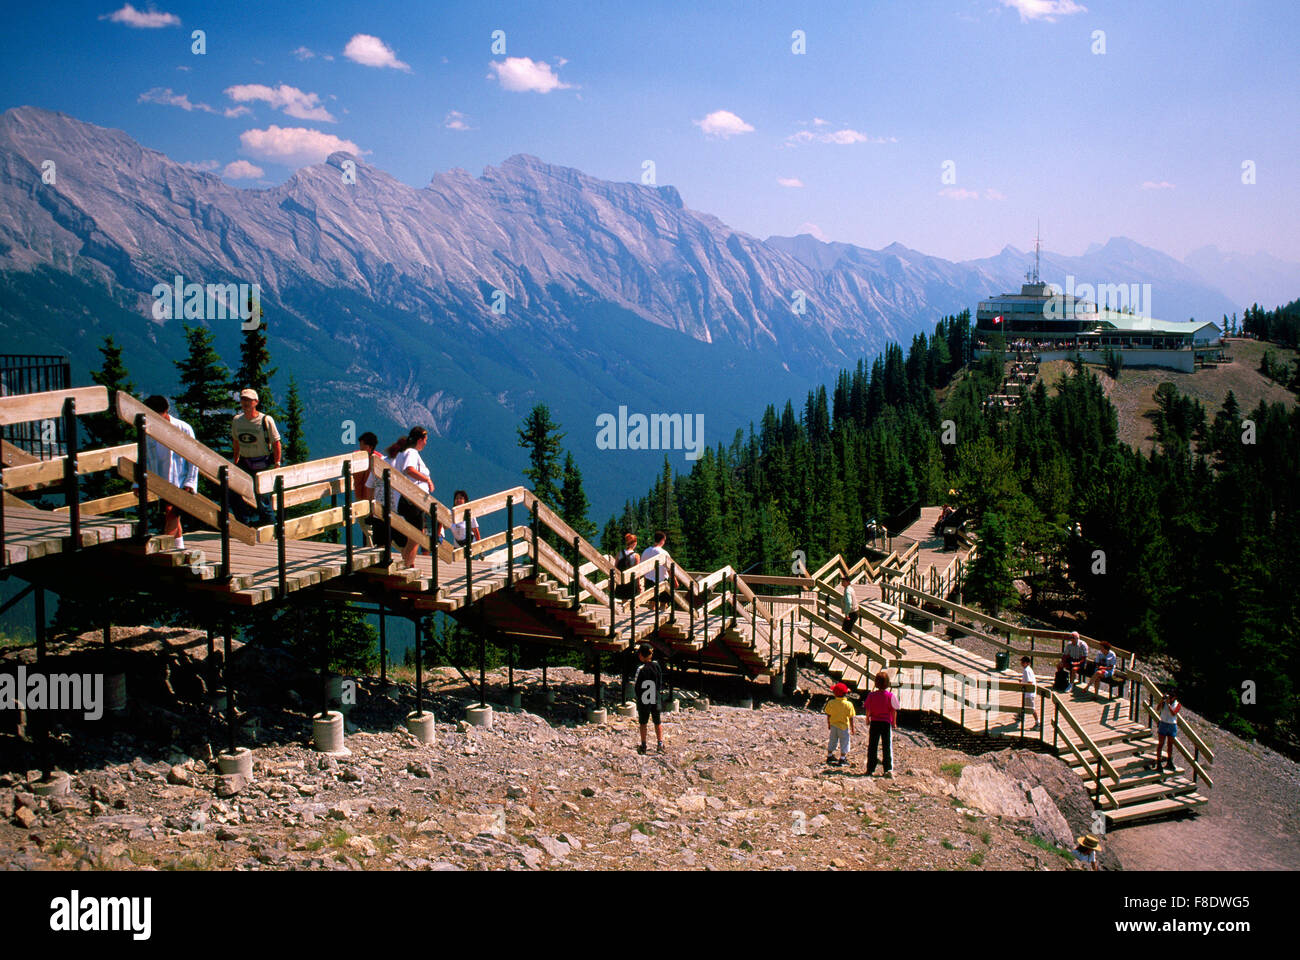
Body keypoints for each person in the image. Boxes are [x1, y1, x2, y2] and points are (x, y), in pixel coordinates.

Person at [142, 395, 199, 550]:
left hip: (179, 481)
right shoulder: (147, 431)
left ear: (166, 411)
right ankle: (179, 548)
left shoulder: (183, 428)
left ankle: (165, 550)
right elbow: (144, 458)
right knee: (173, 516)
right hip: (160, 481)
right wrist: (138, 482)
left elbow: (194, 457)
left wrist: (190, 482)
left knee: (171, 513)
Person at [230, 388, 281, 526]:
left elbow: (276, 442)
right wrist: (235, 460)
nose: (245, 402)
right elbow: (236, 442)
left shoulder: (265, 420)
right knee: (233, 491)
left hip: (262, 462)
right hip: (245, 461)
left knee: (263, 497)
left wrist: (277, 462)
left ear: (256, 402)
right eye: (243, 399)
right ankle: (244, 522)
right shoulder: (237, 421)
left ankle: (270, 525)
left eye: (248, 400)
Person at [389, 427, 433, 567]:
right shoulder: (412, 453)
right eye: (425, 440)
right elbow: (409, 469)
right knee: (417, 535)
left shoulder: (403, 453)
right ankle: (407, 563)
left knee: (413, 535)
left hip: (406, 499)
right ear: (420, 440)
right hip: (412, 500)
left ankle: (407, 562)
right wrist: (427, 480)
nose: (426, 443)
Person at [865, 671, 900, 777]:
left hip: (875, 722)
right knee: (886, 745)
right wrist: (894, 722)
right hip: (886, 722)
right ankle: (887, 768)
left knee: (873, 745)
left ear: (876, 683)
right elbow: (894, 710)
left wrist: (867, 719)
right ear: (887, 683)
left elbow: (868, 709)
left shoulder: (871, 695)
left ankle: (870, 768)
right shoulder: (890, 696)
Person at [633, 643, 665, 754]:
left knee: (643, 723)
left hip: (644, 699)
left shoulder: (640, 669)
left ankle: (643, 745)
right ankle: (660, 743)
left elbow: (636, 686)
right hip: (655, 697)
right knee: (657, 721)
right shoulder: (656, 666)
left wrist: (638, 697)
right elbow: (660, 681)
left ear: (641, 655)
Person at [824, 681, 857, 766]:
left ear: (834, 693)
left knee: (832, 740)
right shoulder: (848, 704)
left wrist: (828, 724)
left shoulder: (831, 702)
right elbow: (851, 717)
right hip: (843, 726)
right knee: (844, 741)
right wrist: (852, 728)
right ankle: (842, 758)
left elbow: (828, 714)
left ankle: (829, 755)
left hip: (833, 725)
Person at [1151, 688, 1182, 774]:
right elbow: (1158, 708)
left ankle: (1169, 761)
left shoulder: (1177, 704)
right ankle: (1158, 762)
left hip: (1172, 725)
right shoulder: (1164, 703)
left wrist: (1168, 705)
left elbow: (1173, 713)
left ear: (1174, 697)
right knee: (1161, 744)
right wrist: (1162, 701)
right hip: (1163, 723)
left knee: (1170, 745)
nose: (1170, 698)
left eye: (1171, 697)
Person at [356, 431, 379, 547]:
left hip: (373, 497)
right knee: (363, 522)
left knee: (372, 523)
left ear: (370, 447)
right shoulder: (356, 457)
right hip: (360, 496)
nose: (360, 449)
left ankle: (373, 547)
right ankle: (372, 547)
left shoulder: (379, 460)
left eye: (362, 447)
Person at [639, 530, 674, 603]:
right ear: (662, 540)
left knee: (652, 603)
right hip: (662, 580)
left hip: (649, 580)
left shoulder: (646, 551)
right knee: (663, 603)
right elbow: (669, 569)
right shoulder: (663, 553)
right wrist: (675, 580)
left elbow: (641, 568)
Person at [614, 532, 640, 613]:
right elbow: (637, 571)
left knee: (624, 600)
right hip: (631, 582)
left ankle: (623, 613)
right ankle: (631, 618)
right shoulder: (636, 555)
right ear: (634, 543)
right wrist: (638, 584)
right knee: (633, 602)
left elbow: (615, 567)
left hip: (622, 581)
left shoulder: (619, 553)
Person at [1020, 656, 1039, 730]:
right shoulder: (1028, 670)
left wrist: (1022, 684)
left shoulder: (1026, 671)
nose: (1022, 663)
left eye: (1023, 662)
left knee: (1032, 708)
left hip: (1029, 693)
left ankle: (1038, 722)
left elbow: (1030, 682)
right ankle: (1020, 716)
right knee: (1024, 705)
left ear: (1027, 663)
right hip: (1028, 693)